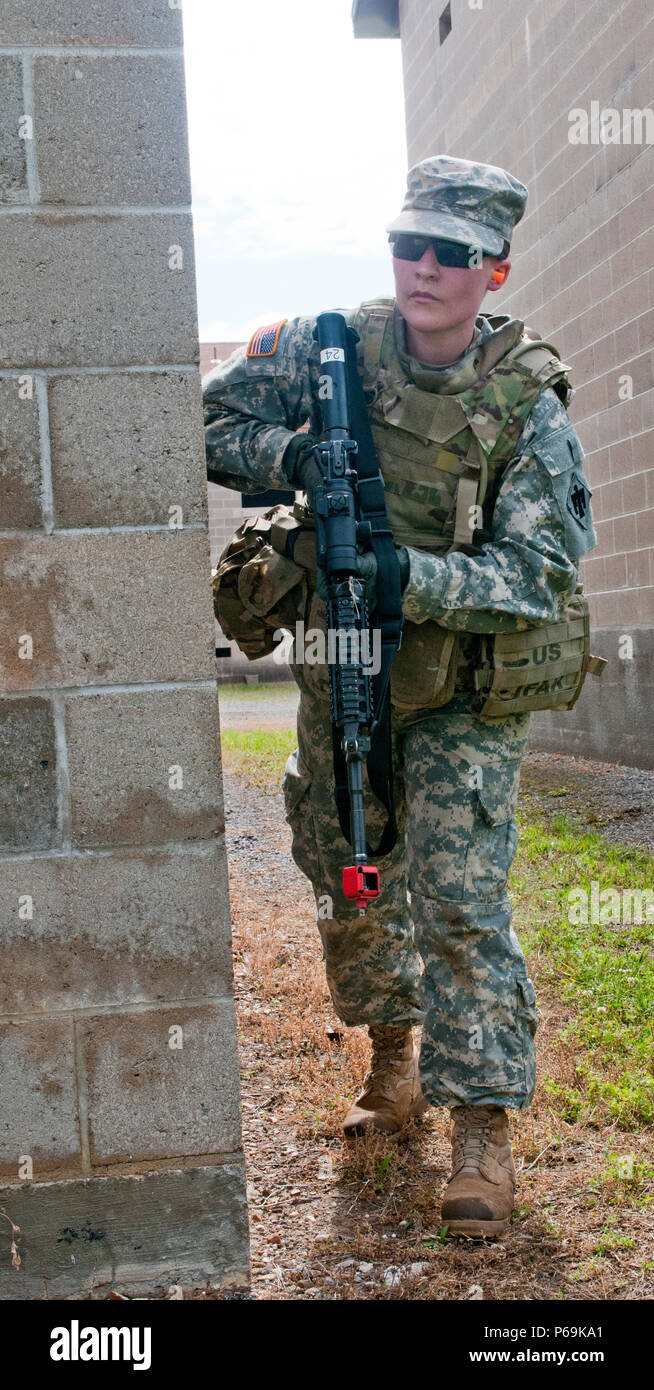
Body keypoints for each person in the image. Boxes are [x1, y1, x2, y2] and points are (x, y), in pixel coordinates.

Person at [203, 156, 597, 1238]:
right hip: (341, 665)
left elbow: (537, 578)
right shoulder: (333, 351)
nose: (424, 267)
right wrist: (297, 454)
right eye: (408, 244)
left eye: (453, 253)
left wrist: (407, 575)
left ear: (496, 270)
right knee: (349, 870)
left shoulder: (525, 404)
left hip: (463, 687)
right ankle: (393, 1059)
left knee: (463, 903)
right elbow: (205, 423)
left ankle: (481, 1128)